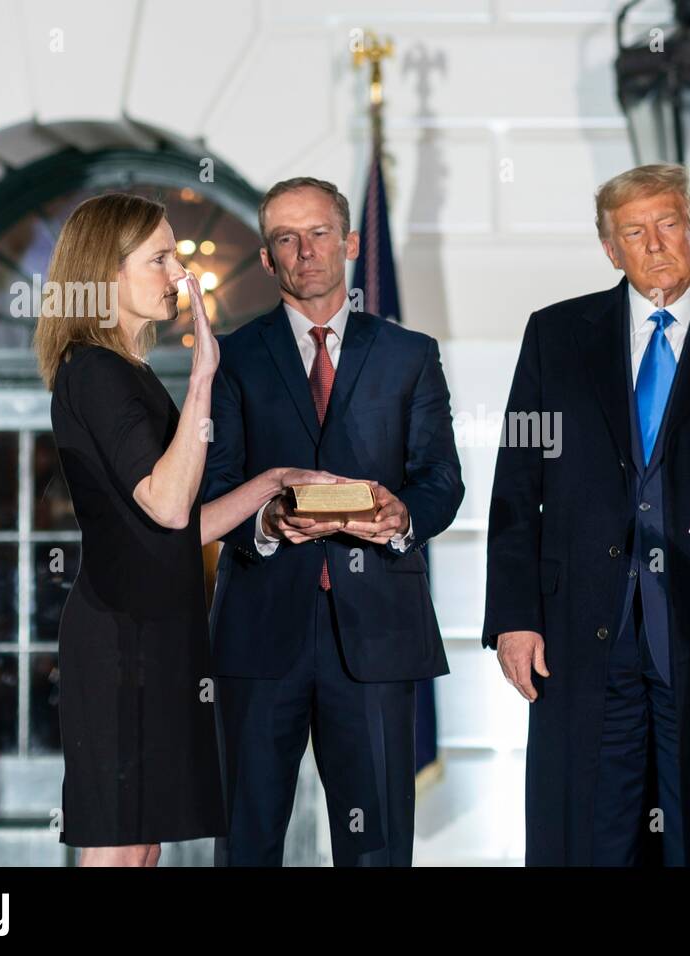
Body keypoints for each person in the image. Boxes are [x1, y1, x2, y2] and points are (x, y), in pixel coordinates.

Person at [483, 163, 690, 865]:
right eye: (634, 232)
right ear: (611, 250)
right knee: (592, 836)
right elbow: (516, 487)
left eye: (669, 224)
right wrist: (514, 617)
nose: (656, 243)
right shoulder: (555, 336)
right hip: (582, 639)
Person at [35, 192, 337, 867]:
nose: (179, 273)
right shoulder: (95, 370)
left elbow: (180, 527)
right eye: (161, 258)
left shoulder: (126, 372)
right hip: (122, 639)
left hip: (157, 631)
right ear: (107, 274)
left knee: (144, 845)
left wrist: (272, 482)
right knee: (122, 847)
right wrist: (203, 374)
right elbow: (168, 507)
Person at [203, 177, 463, 867]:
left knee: (374, 849)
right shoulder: (231, 358)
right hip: (259, 635)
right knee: (248, 844)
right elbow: (213, 485)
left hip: (377, 632)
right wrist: (267, 521)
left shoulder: (410, 353)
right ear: (266, 258)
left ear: (349, 242)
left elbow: (442, 480)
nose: (305, 250)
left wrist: (402, 514)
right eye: (285, 237)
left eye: (319, 233)